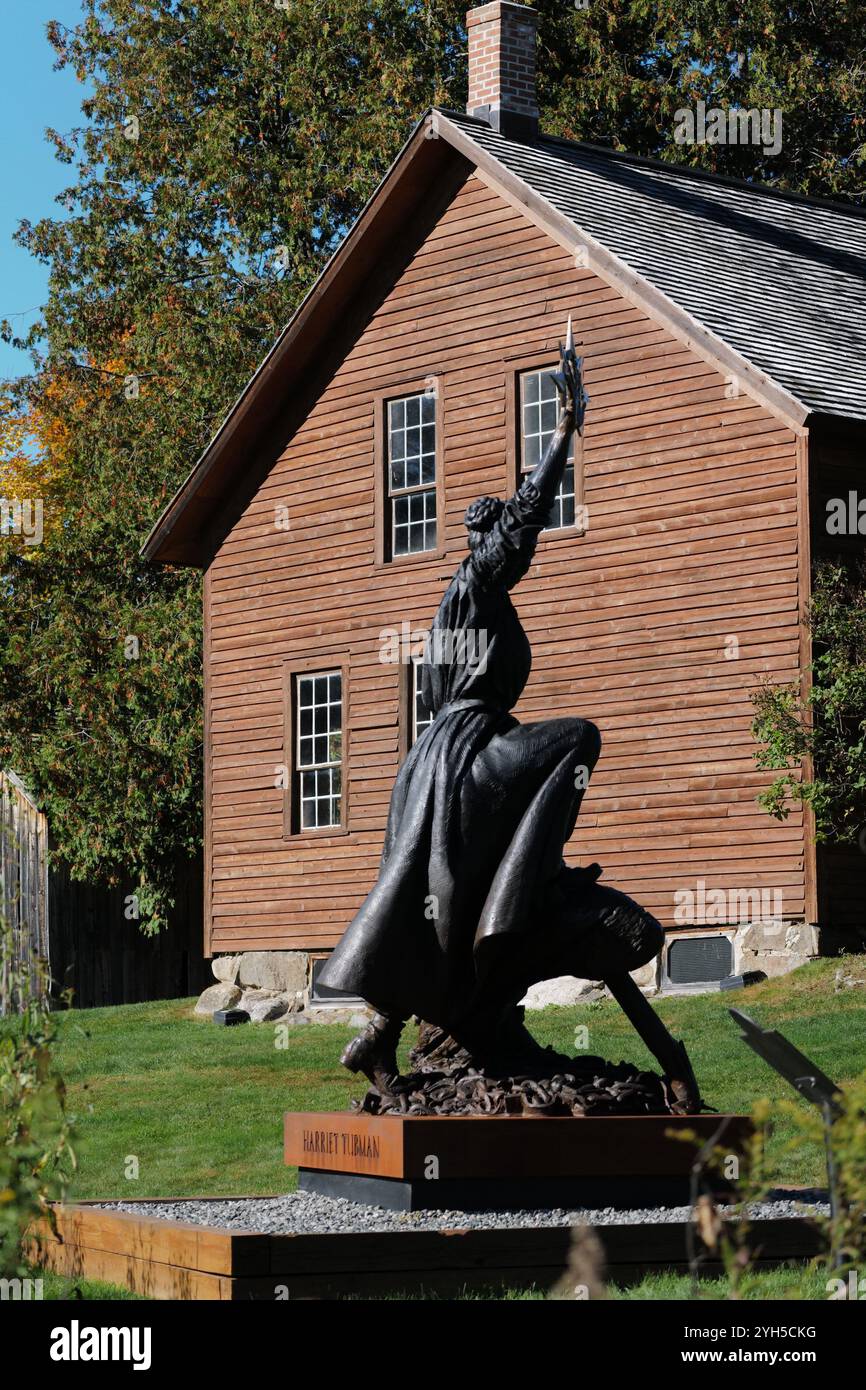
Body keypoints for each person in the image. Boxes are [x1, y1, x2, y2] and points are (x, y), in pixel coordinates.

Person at [320, 325, 700, 1111]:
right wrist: (564, 432)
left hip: (441, 759)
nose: (505, 542)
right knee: (578, 739)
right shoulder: (476, 580)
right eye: (495, 535)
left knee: (438, 900)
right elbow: (526, 518)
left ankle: (385, 1031)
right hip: (466, 746)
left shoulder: (457, 604)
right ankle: (538, 871)